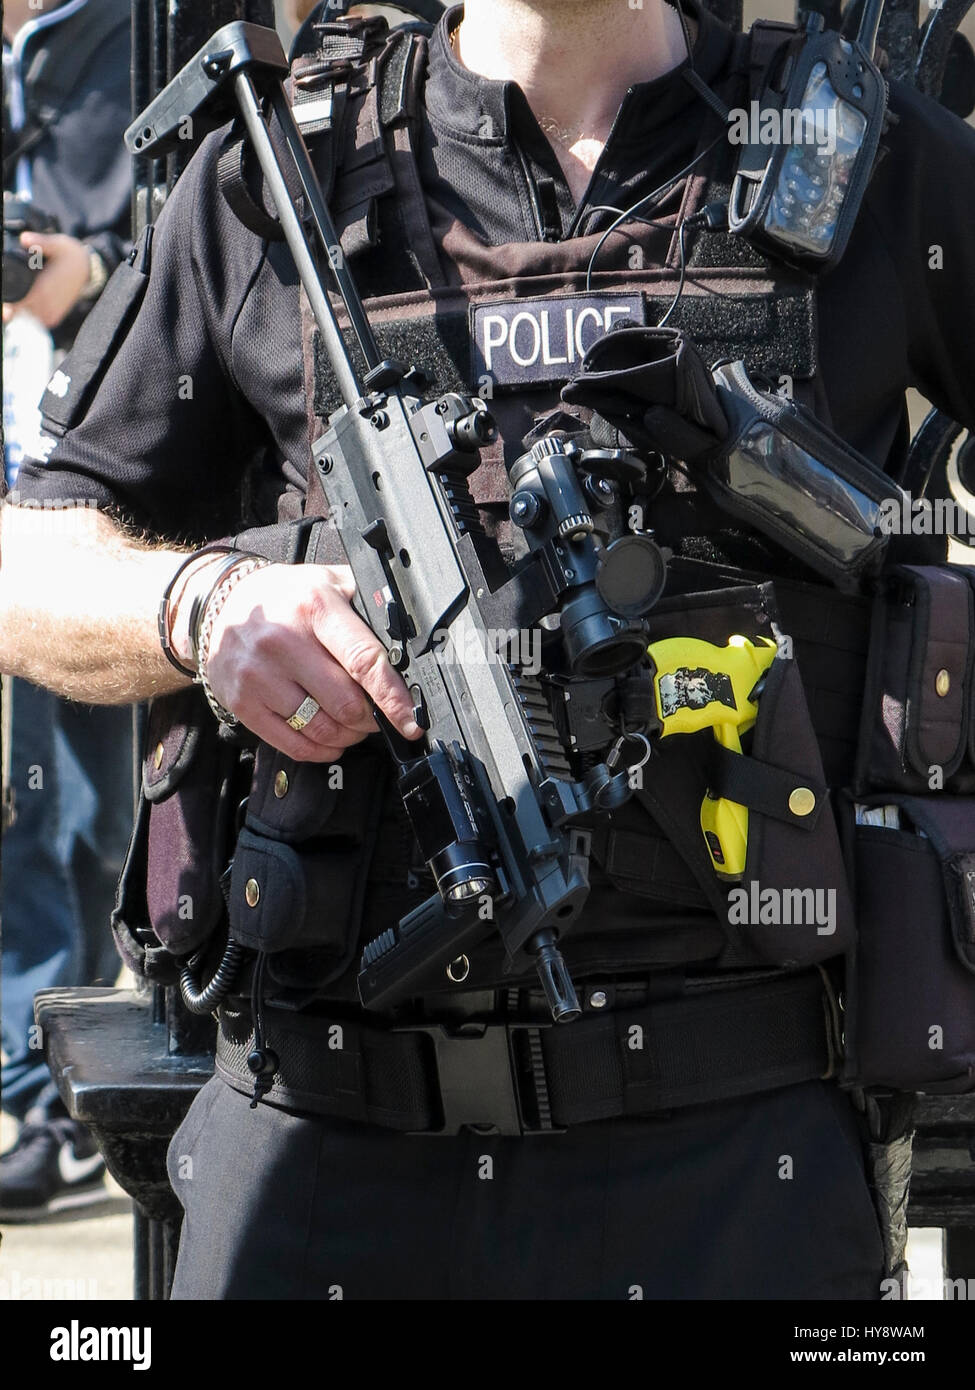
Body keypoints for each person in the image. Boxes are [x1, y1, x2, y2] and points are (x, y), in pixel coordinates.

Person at [2, 0, 974, 1297]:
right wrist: (202, 606)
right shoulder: (278, 170)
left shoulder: (853, 152)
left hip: (735, 1156)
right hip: (325, 1150)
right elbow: (29, 557)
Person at [0, 0, 135, 1219]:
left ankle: (89, 1079)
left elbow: (201, 224)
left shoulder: (131, 25)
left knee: (96, 815)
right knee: (20, 810)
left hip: (96, 450)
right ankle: (41, 1096)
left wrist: (88, 273)